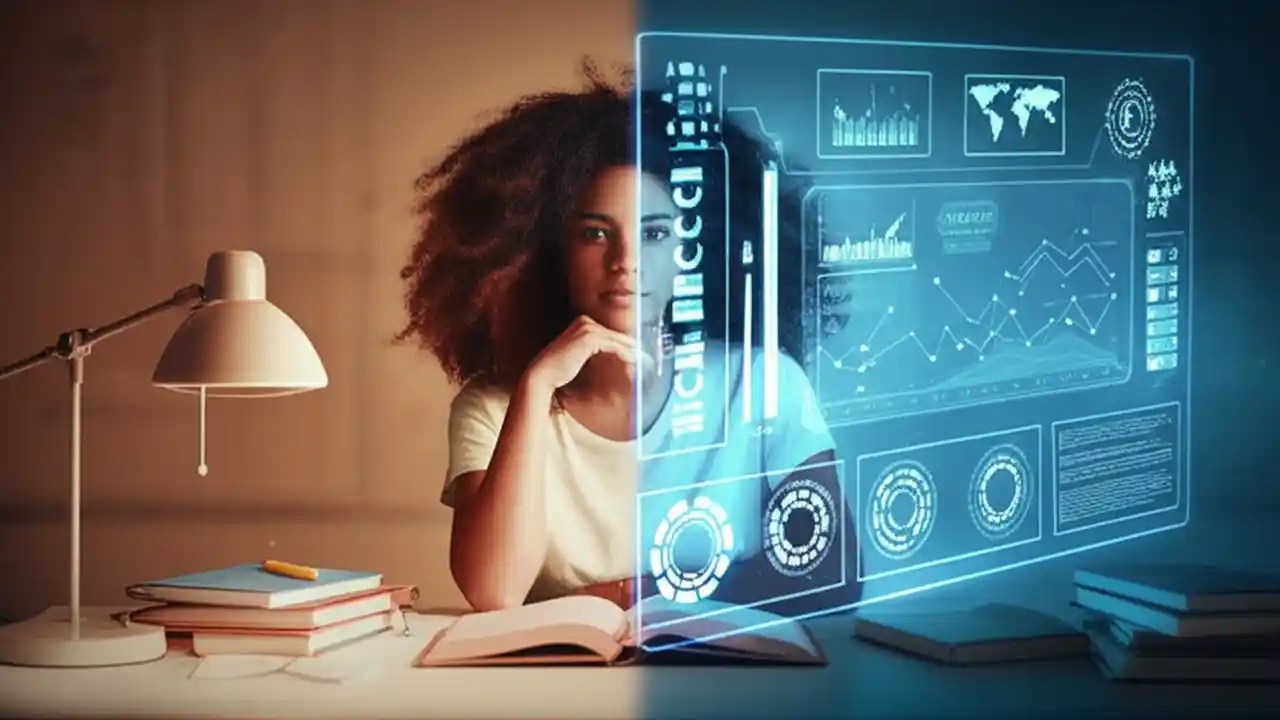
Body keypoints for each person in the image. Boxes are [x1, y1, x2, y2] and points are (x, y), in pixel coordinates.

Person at [396, 62, 859, 616]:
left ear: (693, 252)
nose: (626, 262)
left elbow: (831, 573)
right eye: (595, 234)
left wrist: (634, 596)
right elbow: (493, 593)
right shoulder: (494, 408)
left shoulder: (760, 382)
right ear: (548, 256)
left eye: (655, 233)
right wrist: (538, 386)